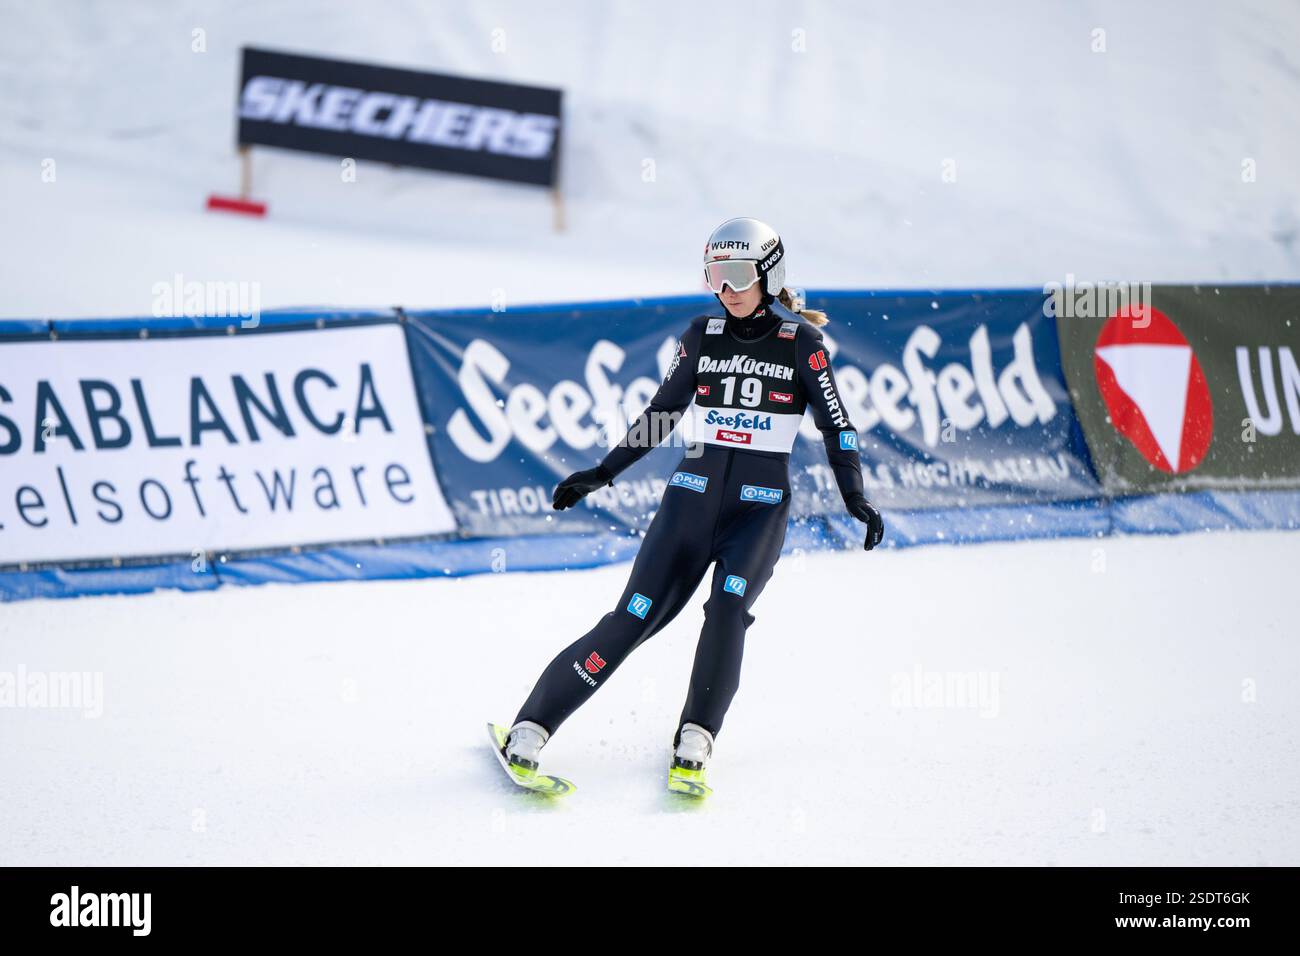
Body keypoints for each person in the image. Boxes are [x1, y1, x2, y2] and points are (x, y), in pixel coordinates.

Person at [502, 217, 884, 786]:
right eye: (714, 275)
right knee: (629, 620)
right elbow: (661, 413)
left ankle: (696, 737)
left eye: (735, 275)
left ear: (768, 274)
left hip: (756, 512)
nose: (724, 289)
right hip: (689, 504)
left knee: (728, 612)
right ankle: (530, 728)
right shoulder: (701, 335)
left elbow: (839, 427)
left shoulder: (802, 344)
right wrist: (601, 473)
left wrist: (854, 495)